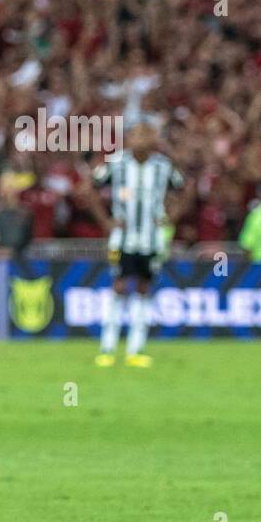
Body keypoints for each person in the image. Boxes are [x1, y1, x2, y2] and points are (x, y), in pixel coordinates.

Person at [91, 117, 185, 367]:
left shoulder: (163, 166)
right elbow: (88, 188)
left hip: (151, 241)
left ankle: (135, 349)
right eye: (137, 134)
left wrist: (170, 218)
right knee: (119, 287)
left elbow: (184, 189)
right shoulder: (116, 163)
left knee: (144, 289)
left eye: (147, 134)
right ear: (128, 138)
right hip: (122, 240)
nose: (142, 139)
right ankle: (107, 348)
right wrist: (106, 221)